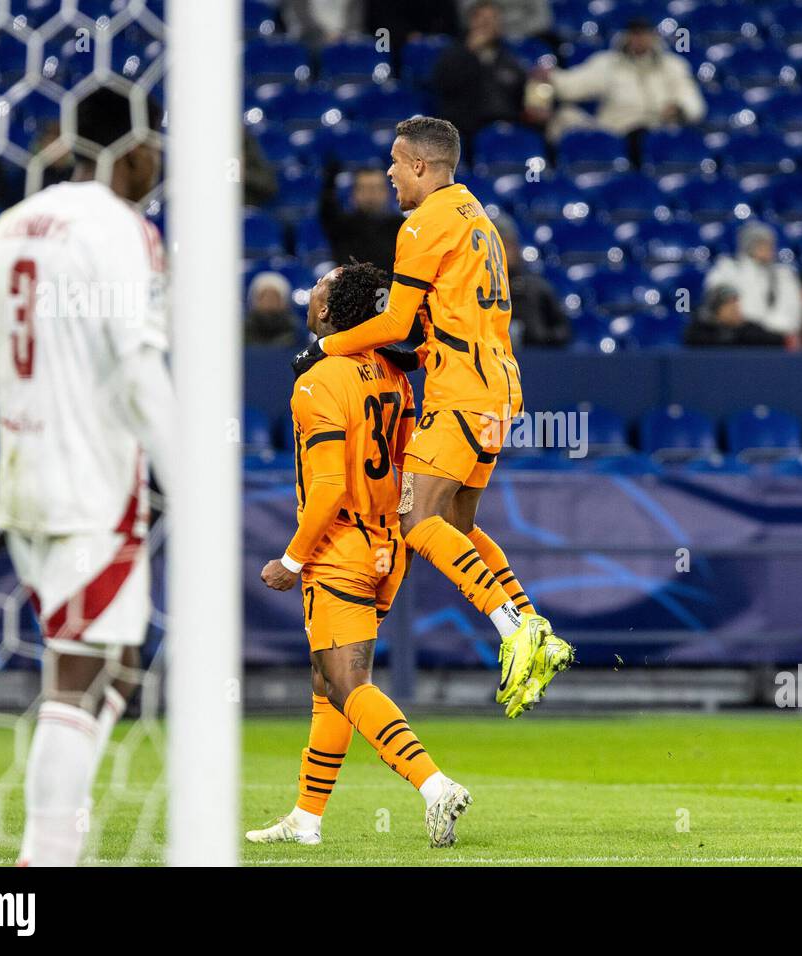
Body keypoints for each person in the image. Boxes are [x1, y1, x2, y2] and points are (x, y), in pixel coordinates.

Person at [0, 87, 172, 868]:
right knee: (80, 670)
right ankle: (45, 857)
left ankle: (65, 813)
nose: (158, 160)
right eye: (153, 145)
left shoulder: (12, 225)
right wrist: (194, 483)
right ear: (130, 149)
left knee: (118, 659)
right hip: (95, 487)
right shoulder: (124, 230)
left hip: (24, 483)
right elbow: (139, 371)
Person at [312, 117, 572, 717]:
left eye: (396, 165)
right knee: (455, 523)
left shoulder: (422, 224)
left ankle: (512, 627)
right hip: (501, 388)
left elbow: (395, 321)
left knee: (415, 519)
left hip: (462, 392)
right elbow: (439, 320)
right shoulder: (476, 217)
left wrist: (324, 348)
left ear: (421, 166)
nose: (389, 175)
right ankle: (534, 624)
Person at [249, 262, 472, 848]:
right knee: (327, 682)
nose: (311, 295)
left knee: (347, 682)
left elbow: (327, 488)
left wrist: (292, 561)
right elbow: (404, 468)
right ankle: (306, 817)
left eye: (318, 290)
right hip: (383, 547)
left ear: (327, 312)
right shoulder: (394, 378)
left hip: (339, 548)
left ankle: (434, 785)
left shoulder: (318, 381)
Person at [538, 19, 706, 141]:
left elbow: (691, 99)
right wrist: (550, 76)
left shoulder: (672, 65)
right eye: (635, 33)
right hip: (616, 132)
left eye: (644, 33)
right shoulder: (608, 63)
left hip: (658, 133)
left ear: (653, 36)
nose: (639, 39)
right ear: (627, 36)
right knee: (565, 116)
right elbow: (572, 86)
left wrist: (679, 109)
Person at [431, 1, 529, 140]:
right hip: (466, 128)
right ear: (471, 22)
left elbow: (521, 94)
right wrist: (469, 52)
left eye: (492, 19)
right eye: (482, 19)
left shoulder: (510, 58)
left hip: (506, 125)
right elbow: (445, 83)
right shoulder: (454, 53)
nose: (487, 24)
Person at [701, 221, 802, 343]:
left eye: (769, 244)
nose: (767, 248)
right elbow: (718, 302)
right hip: (737, 338)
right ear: (748, 245)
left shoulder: (784, 274)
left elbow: (794, 314)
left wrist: (768, 329)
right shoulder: (728, 270)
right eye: (760, 243)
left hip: (775, 340)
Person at [495, 215, 569, 347]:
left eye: (505, 247)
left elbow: (564, 332)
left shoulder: (538, 287)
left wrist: (542, 337)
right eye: (495, 248)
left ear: (516, 248)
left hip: (536, 360)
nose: (501, 253)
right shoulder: (479, 288)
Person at [320, 164, 400, 273]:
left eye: (376, 188)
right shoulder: (342, 227)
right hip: (351, 288)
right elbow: (327, 213)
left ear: (387, 192)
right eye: (365, 188)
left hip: (391, 288)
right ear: (354, 193)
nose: (371, 194)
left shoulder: (400, 226)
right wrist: (330, 178)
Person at [244, 271, 298, 345]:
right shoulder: (243, 329)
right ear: (255, 301)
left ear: (283, 302)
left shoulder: (295, 329)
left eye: (274, 297)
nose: (269, 301)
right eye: (264, 297)